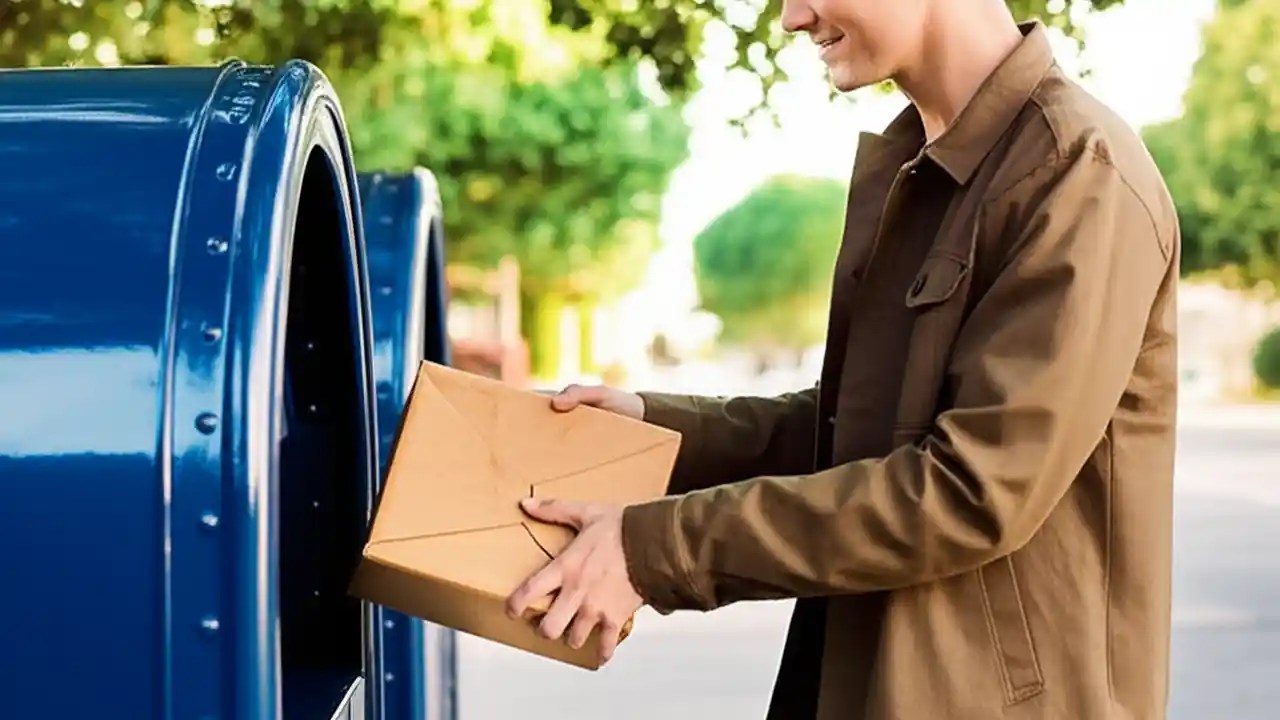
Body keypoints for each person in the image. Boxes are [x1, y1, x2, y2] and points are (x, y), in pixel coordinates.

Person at [505, 0, 1180, 717]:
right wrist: (657, 427)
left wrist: (655, 549)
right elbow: (856, 430)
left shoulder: (1077, 170)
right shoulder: (933, 166)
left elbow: (970, 490)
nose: (793, 18)